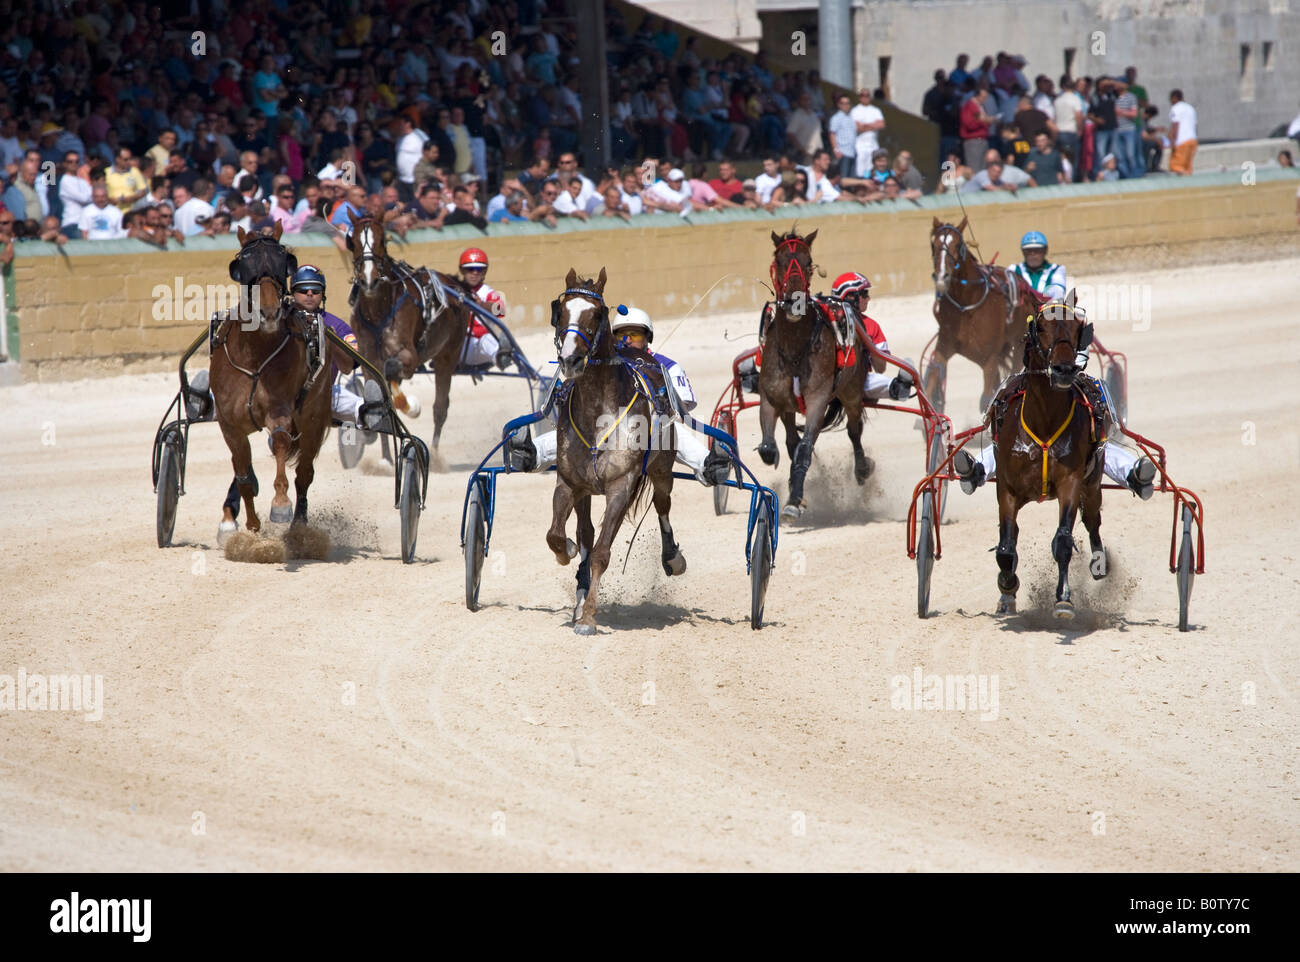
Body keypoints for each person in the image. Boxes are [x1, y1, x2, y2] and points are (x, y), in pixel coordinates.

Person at [951, 300, 1157, 501]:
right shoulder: (1038, 323)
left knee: (1096, 445)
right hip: (1038, 381)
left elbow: (1080, 356)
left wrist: (1064, 368)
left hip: (1069, 381)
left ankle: (1133, 474)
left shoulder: (1071, 321)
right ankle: (977, 470)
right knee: (1010, 440)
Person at [506, 305, 731, 485]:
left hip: (649, 433)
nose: (627, 339)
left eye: (634, 334)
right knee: (572, 434)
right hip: (602, 431)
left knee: (672, 430)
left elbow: (683, 410)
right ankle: (531, 454)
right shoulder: (601, 367)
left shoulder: (666, 366)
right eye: (621, 334)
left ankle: (708, 466)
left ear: (647, 337)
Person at [186, 265, 380, 429]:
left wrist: (328, 338)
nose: (310, 294)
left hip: (320, 393)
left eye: (315, 290)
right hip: (275, 392)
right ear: (292, 293)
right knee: (240, 400)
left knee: (345, 399)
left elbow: (347, 367)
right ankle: (205, 403)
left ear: (323, 294)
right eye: (303, 290)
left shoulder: (337, 326)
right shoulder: (277, 319)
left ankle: (368, 412)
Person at [828, 272, 913, 402]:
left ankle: (898, 388)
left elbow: (880, 368)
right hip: (829, 380)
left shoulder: (872, 326)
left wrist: (868, 345)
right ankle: (896, 387)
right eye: (864, 294)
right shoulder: (826, 321)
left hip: (855, 381)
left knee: (866, 379)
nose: (868, 298)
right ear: (850, 297)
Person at [458, 247, 512, 369]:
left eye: (479, 269)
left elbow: (500, 310)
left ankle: (501, 357)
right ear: (462, 270)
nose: (475, 273)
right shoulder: (455, 290)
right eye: (470, 269)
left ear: (484, 271)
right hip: (458, 346)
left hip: (479, 348)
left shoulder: (487, 292)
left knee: (487, 339)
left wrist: (481, 305)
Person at [1011, 231, 1067, 304]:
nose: (1033, 254)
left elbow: (1057, 291)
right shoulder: (1014, 270)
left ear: (1045, 250)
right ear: (1023, 252)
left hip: (1046, 311)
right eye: (1028, 251)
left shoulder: (1056, 269)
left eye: (1037, 250)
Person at [850, 88, 886, 177]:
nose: (865, 98)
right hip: (860, 144)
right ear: (860, 97)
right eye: (863, 95)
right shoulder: (855, 110)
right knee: (860, 169)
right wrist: (873, 125)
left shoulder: (875, 110)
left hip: (873, 144)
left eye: (867, 96)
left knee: (873, 168)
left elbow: (881, 124)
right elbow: (858, 128)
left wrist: (866, 126)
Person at [1167, 89, 1198, 175]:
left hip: (1182, 141)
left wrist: (1173, 140)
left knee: (1175, 166)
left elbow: (1176, 124)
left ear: (1174, 98)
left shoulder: (1176, 108)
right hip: (1192, 140)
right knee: (1187, 167)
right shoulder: (1190, 108)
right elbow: (1195, 125)